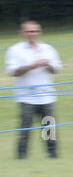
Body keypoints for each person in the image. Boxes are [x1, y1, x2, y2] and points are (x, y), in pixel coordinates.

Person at [6, 20, 62, 159]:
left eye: (35, 31)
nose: (32, 34)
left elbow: (57, 69)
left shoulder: (48, 49)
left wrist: (48, 65)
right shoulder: (15, 50)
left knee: (49, 129)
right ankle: (22, 158)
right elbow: (13, 72)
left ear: (39, 32)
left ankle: (53, 156)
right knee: (25, 130)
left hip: (47, 97)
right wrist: (32, 66)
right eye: (28, 31)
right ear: (22, 33)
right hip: (26, 98)